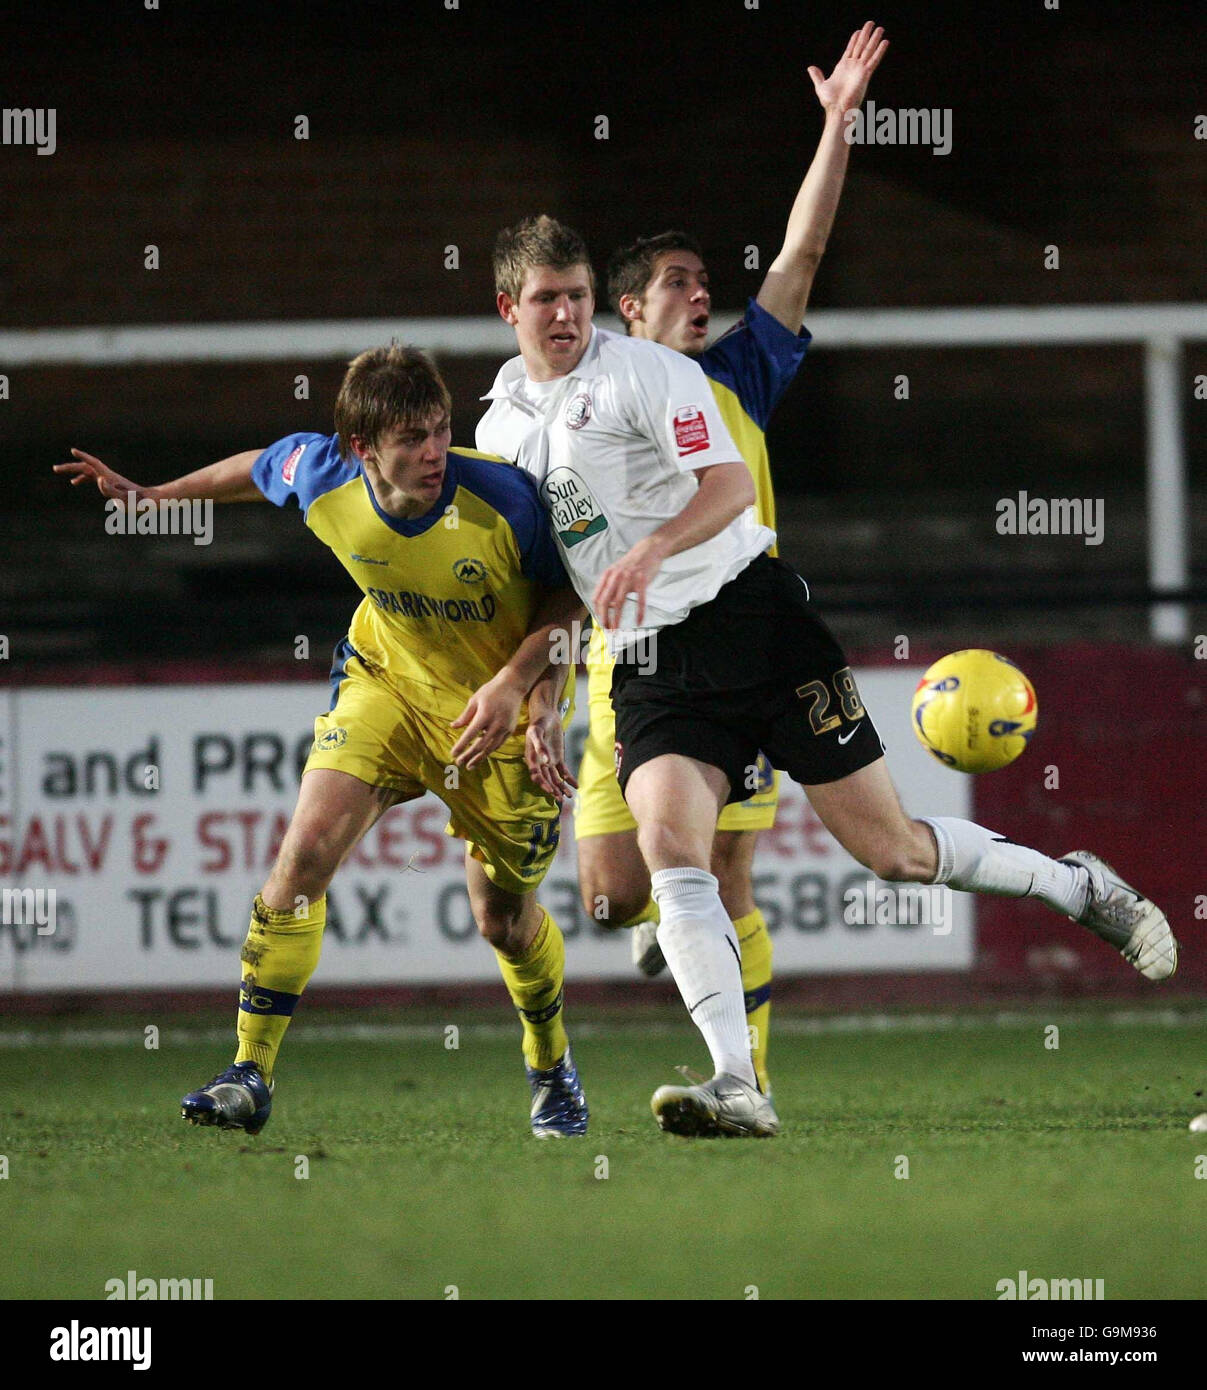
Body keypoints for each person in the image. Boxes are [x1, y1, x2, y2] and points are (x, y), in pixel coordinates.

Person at [475, 215, 1178, 1140]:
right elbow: (550, 581)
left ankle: (1076, 885)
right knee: (670, 856)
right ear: (506, 308)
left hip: (754, 621)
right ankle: (736, 1080)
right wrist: (534, 688)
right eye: (544, 300)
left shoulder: (646, 373)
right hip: (650, 660)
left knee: (892, 853)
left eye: (574, 295)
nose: (564, 313)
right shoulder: (498, 426)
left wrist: (651, 548)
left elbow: (726, 489)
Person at [56, 344, 589, 1139]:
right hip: (386, 680)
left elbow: (572, 596)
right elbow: (257, 465)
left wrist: (524, 690)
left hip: (496, 710)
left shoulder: (502, 498)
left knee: (501, 919)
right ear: (360, 448)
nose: (434, 452)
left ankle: (551, 1068)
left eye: (440, 431)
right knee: (302, 854)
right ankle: (249, 1072)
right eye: (412, 438)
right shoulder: (322, 474)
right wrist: (155, 496)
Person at [576, 22, 890, 1098]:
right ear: (628, 309)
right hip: (625, 649)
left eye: (704, 278)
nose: (699, 292)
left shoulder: (738, 372)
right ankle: (663, 923)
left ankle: (742, 1074)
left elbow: (800, 254)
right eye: (676, 280)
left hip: (734, 631)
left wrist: (836, 128)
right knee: (612, 895)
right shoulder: (590, 401)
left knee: (728, 866)